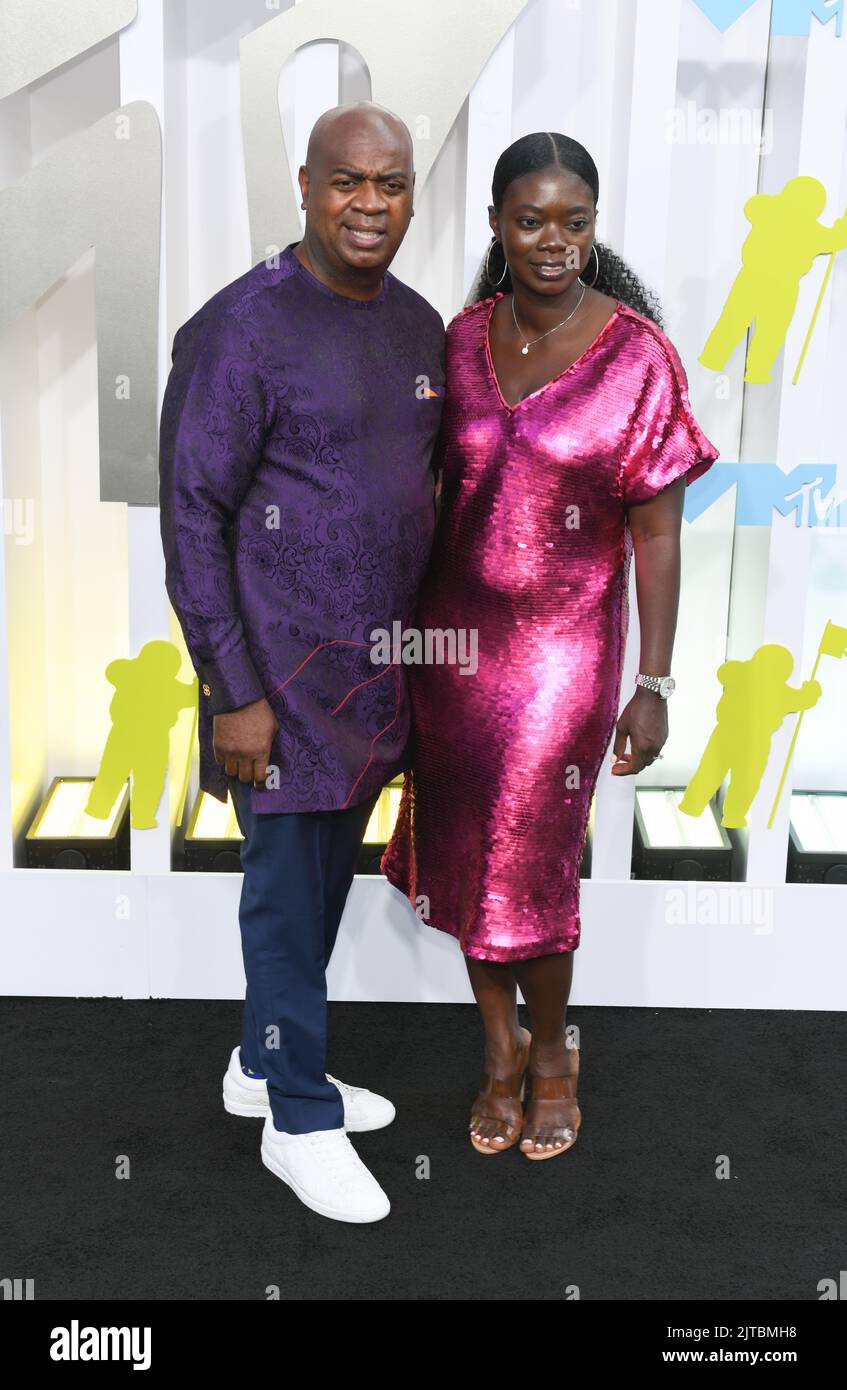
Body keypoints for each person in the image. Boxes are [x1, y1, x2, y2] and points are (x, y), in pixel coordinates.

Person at [381, 131, 720, 1161]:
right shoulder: (459, 338)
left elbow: (656, 533)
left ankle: (555, 1057)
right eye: (531, 220)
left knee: (528, 866)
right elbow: (429, 493)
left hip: (563, 658)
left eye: (574, 221)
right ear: (494, 223)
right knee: (460, 854)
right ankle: (499, 1049)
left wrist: (652, 681)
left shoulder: (637, 356)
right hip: (453, 651)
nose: (554, 241)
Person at [158, 103, 445, 1221]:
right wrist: (233, 692)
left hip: (371, 683)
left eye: (390, 184)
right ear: (304, 185)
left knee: (321, 887)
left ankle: (258, 1065)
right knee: (282, 903)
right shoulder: (239, 330)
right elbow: (192, 517)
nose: (368, 204)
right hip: (270, 687)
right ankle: (296, 1118)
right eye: (345, 183)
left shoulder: (419, 326)